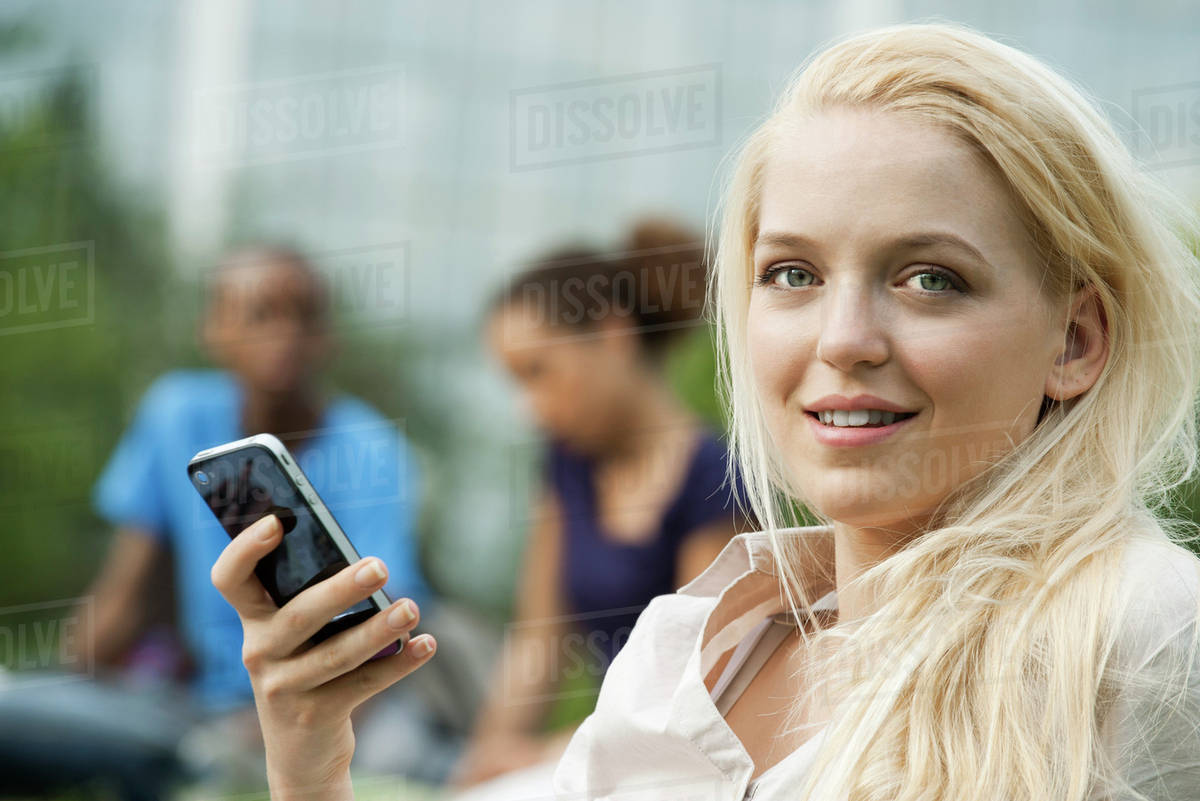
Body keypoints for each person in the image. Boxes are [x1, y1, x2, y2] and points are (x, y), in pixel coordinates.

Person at [211, 21, 1200, 801]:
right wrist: (309, 761)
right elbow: (534, 636)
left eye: (931, 276)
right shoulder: (686, 649)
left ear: (1075, 341)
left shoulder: (1146, 636)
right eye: (794, 273)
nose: (843, 338)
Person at [57, 245, 429, 793]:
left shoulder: (373, 450)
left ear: (327, 336)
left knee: (392, 765)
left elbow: (377, 628)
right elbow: (126, 586)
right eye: (260, 314)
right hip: (194, 701)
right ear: (214, 328)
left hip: (325, 701)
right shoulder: (176, 413)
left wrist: (282, 733)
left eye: (302, 315)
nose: (284, 334)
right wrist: (61, 683)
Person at [447, 218, 755, 790]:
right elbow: (539, 639)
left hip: (686, 766)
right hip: (591, 756)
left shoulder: (714, 480)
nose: (528, 407)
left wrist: (545, 752)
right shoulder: (567, 465)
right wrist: (483, 761)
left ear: (612, 336)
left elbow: (701, 689)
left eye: (537, 372)